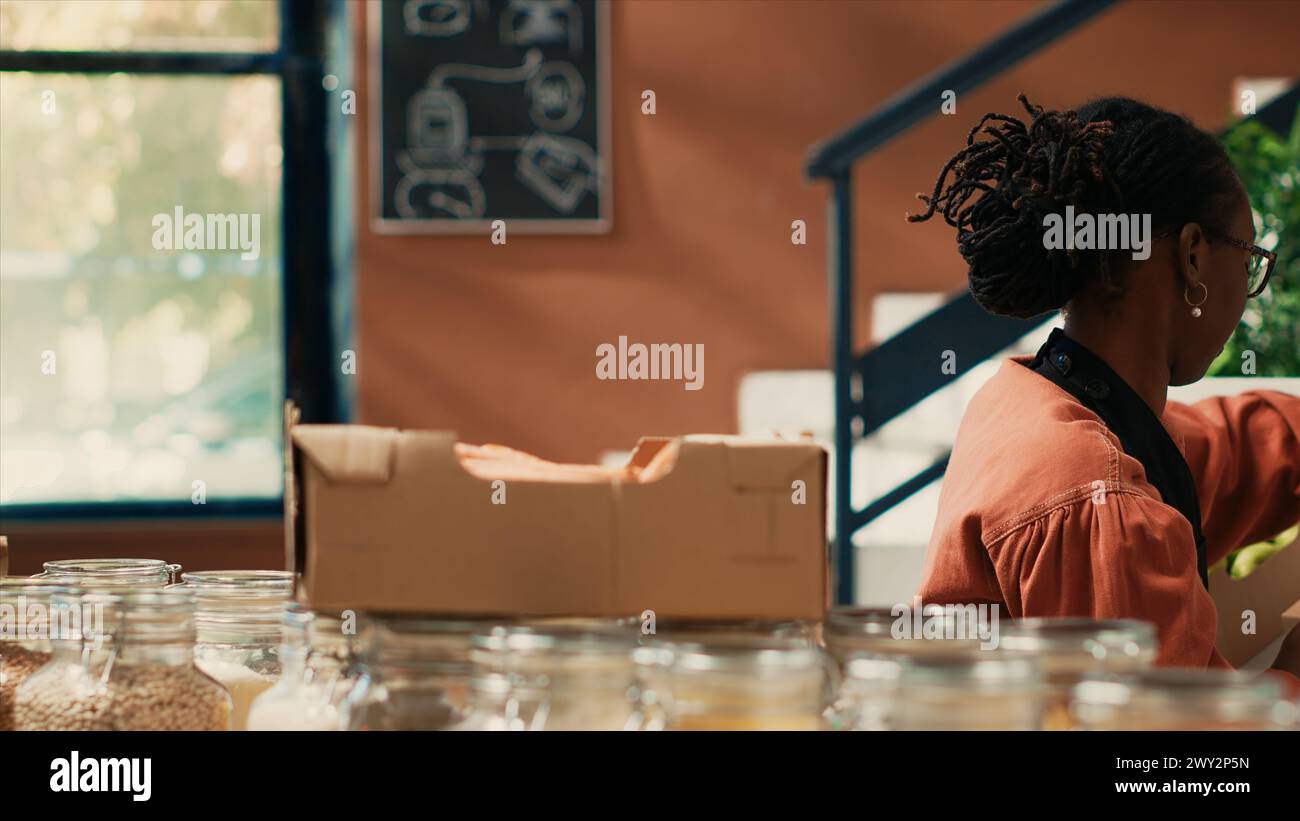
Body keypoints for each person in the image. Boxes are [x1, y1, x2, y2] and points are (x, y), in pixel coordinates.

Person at [909, 94, 1299, 686]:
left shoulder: (1041, 402)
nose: (1247, 295)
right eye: (1249, 259)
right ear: (1194, 256)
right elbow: (1173, 767)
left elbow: (1234, 450)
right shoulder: (1099, 497)